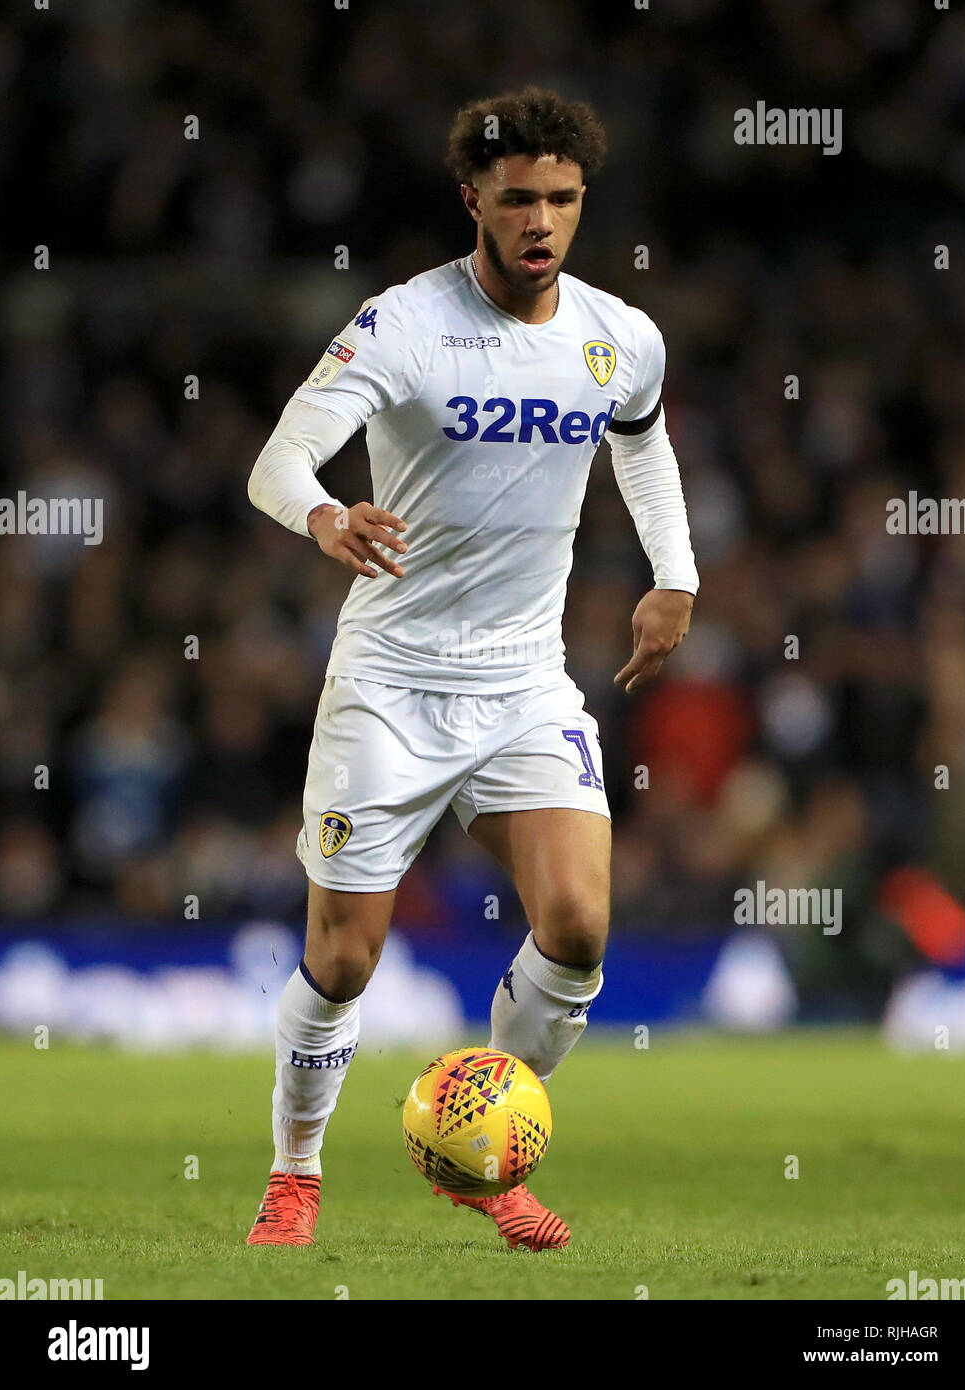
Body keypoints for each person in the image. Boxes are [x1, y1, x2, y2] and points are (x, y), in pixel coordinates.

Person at [245, 87, 698, 1250]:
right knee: (342, 960)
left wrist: (674, 574)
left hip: (523, 685)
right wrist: (322, 516)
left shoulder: (618, 335)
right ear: (474, 202)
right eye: (517, 200)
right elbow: (279, 456)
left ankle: (480, 1142)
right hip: (391, 681)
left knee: (582, 926)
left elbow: (641, 440)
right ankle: (295, 1175)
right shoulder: (401, 325)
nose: (540, 220)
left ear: (582, 200)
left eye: (560, 199)